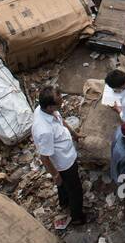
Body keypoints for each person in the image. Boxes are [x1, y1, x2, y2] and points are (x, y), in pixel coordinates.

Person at [32, 86, 86, 231]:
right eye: (59, 100)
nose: (63, 101)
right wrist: (56, 175)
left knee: (64, 186)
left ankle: (64, 202)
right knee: (76, 190)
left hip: (66, 155)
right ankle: (77, 218)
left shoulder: (47, 111)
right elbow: (44, 157)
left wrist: (75, 134)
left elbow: (61, 121)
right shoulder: (44, 130)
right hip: (64, 163)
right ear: (49, 106)